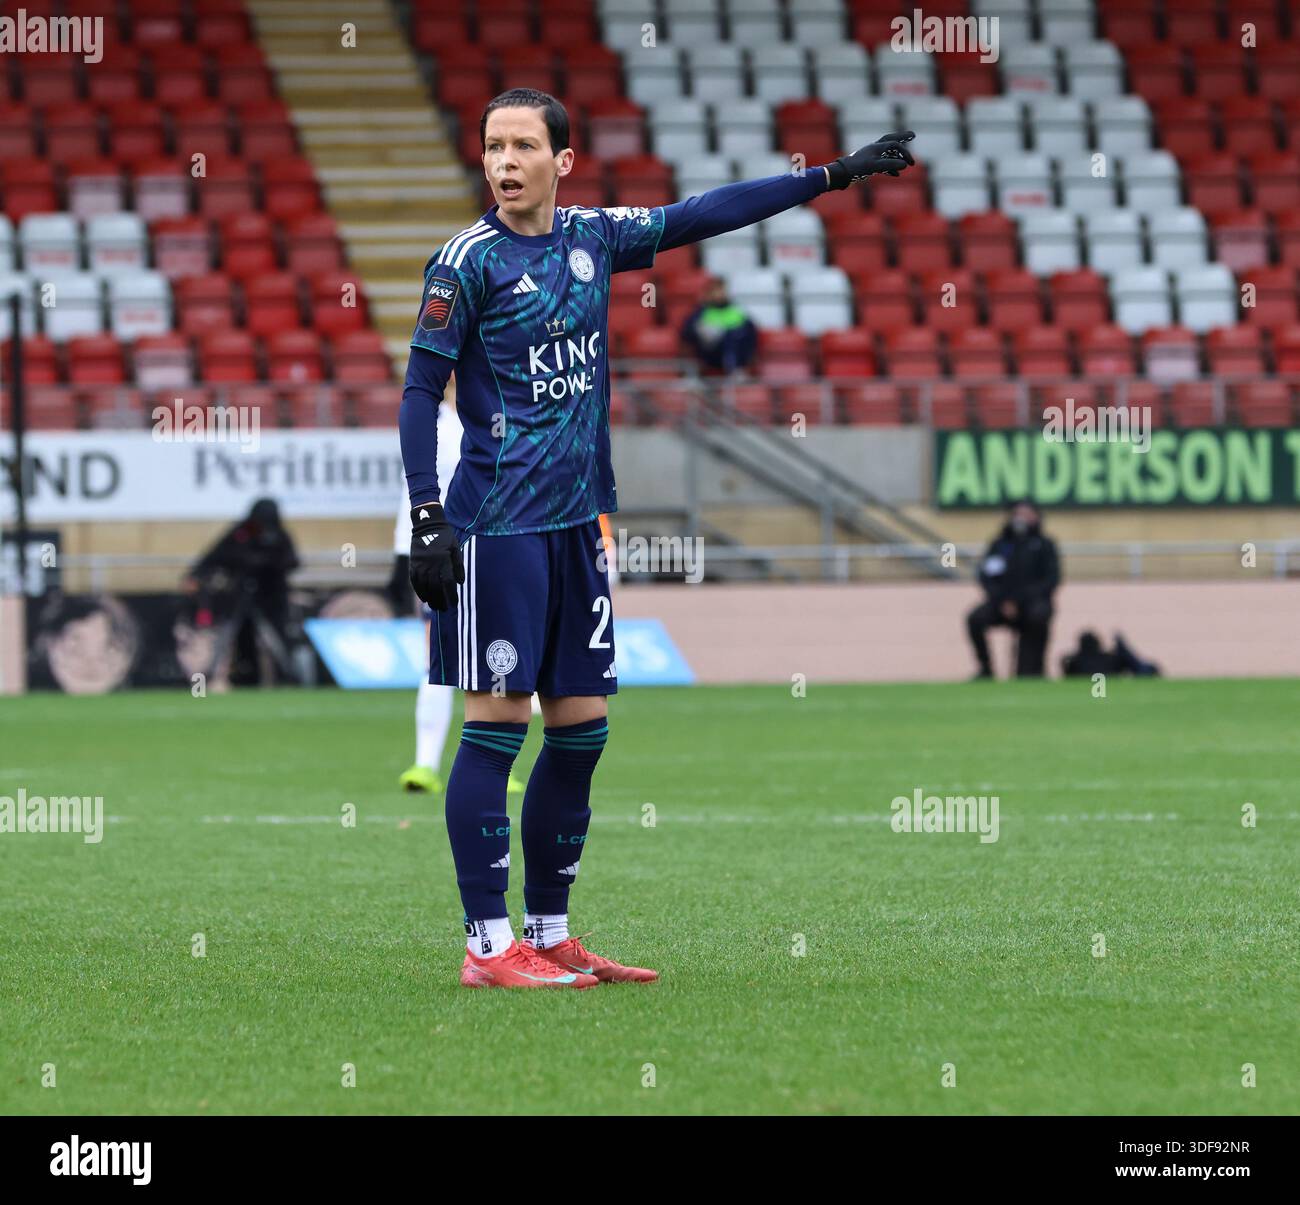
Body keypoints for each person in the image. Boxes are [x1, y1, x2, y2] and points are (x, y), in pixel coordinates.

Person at [399, 86, 915, 989]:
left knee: (583, 728)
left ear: (563, 161)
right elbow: (417, 395)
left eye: (524, 146)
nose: (505, 162)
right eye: (493, 147)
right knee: (495, 726)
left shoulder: (595, 236)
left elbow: (703, 214)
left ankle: (550, 930)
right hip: (495, 526)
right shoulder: (465, 263)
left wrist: (829, 177)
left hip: (575, 523)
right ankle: (486, 947)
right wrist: (428, 516)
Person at [390, 380, 525, 797]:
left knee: (498, 656)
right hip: (439, 551)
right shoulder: (429, 420)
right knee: (437, 654)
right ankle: (425, 762)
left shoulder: (498, 415)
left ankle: (499, 763)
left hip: (494, 547)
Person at [184, 498, 300, 686]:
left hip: (270, 596)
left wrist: (267, 565)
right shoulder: (242, 532)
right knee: (230, 636)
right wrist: (195, 575)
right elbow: (216, 555)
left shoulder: (278, 535)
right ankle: (211, 678)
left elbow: (292, 562)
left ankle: (290, 676)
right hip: (240, 595)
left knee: (277, 637)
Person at [967, 499, 1060, 680]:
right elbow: (986, 576)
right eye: (1017, 514)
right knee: (975, 618)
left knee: (1038, 616)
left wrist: (1020, 601)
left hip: (1032, 605)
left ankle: (1031, 670)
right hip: (1001, 604)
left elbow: (1051, 579)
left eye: (1026, 514)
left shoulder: (1044, 545)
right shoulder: (1000, 545)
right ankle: (986, 669)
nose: (1021, 518)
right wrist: (1003, 601)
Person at [680, 275, 758, 374]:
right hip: (711, 354)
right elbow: (688, 332)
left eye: (722, 290)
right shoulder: (702, 312)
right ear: (709, 293)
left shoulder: (737, 311)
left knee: (737, 335)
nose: (720, 293)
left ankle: (735, 367)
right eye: (716, 290)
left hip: (736, 352)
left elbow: (751, 333)